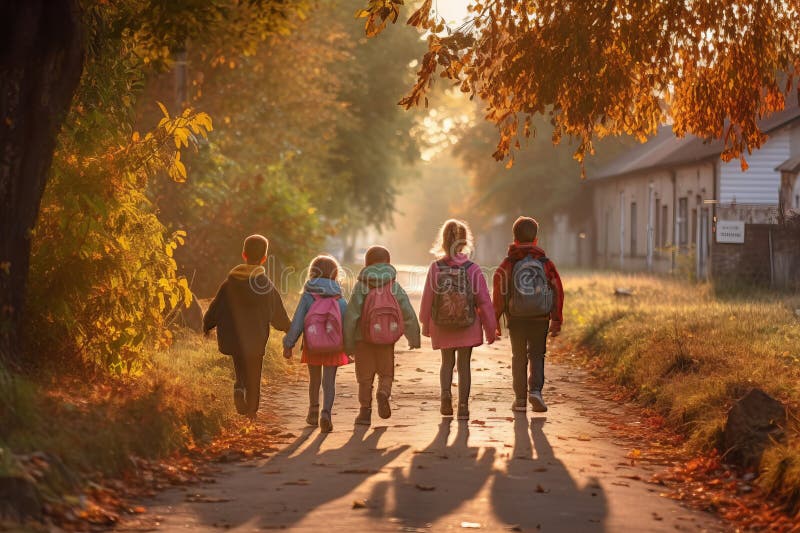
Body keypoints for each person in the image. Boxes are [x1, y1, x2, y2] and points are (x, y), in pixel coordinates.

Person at [203, 234, 290, 418]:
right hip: (256, 339)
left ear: (244, 255)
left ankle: (239, 386)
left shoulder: (229, 284)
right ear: (264, 259)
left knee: (240, 368)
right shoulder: (265, 285)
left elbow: (215, 308)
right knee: (255, 374)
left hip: (233, 337)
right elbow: (277, 313)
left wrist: (207, 325)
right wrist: (289, 328)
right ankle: (251, 412)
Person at [419, 219, 496, 421]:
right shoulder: (473, 269)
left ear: (443, 241)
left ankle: (445, 395)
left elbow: (428, 298)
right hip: (467, 326)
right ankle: (462, 405)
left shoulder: (436, 268)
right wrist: (490, 328)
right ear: (464, 242)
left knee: (446, 362)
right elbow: (484, 302)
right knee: (464, 365)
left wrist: (425, 324)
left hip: (442, 325)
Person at [492, 217, 564, 413]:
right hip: (540, 317)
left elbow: (499, 289)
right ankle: (536, 392)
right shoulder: (545, 262)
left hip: (516, 318)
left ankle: (520, 399)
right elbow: (557, 289)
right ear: (536, 240)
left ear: (514, 240)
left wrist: (495, 320)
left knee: (518, 356)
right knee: (537, 354)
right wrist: (556, 319)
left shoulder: (509, 262)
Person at [344, 245, 421, 426]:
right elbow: (407, 312)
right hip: (386, 340)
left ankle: (364, 412)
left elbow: (351, 316)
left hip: (363, 341)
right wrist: (414, 337)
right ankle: (384, 392)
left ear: (367, 263)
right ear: (388, 262)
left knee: (365, 378)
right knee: (386, 374)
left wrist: (348, 344)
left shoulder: (361, 285)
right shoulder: (394, 285)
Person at [282, 255, 349, 433]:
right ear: (335, 274)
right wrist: (350, 349)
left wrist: (288, 344)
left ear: (312, 272)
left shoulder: (308, 296)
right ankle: (326, 413)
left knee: (314, 380)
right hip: (334, 346)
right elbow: (348, 325)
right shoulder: (339, 298)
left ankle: (313, 411)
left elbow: (297, 322)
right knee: (329, 382)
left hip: (312, 344)